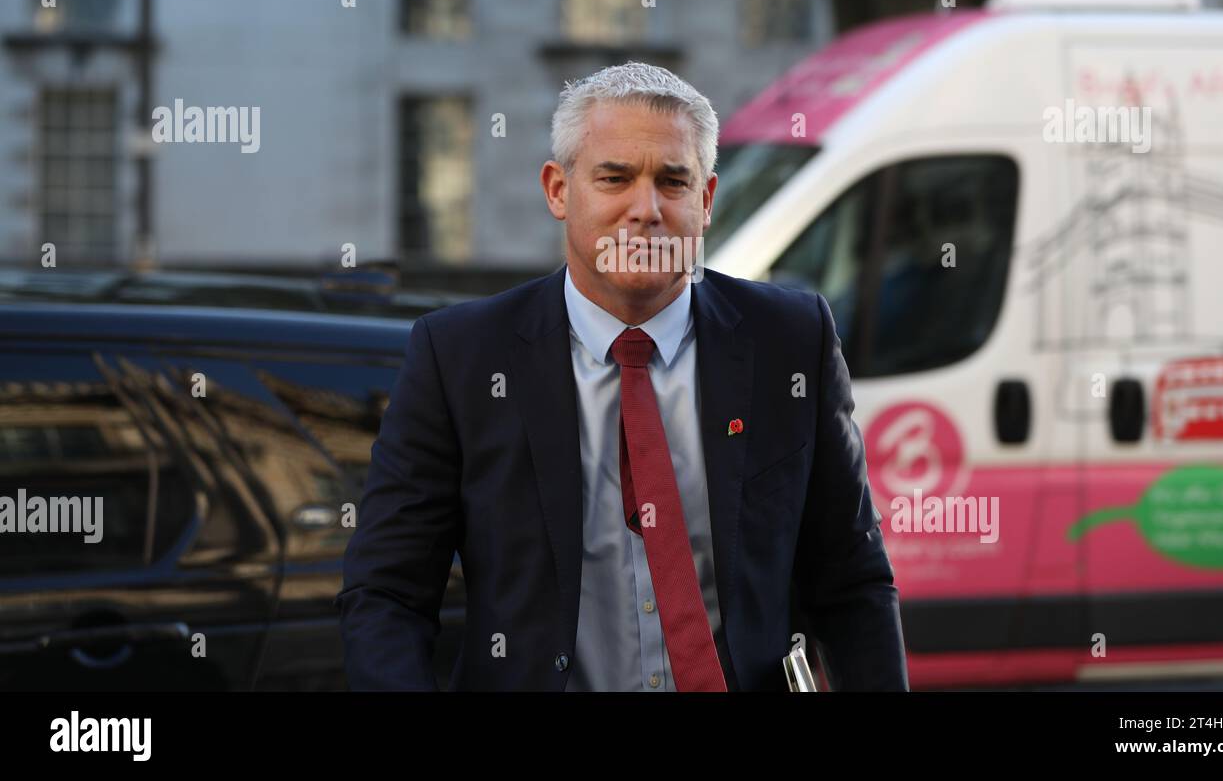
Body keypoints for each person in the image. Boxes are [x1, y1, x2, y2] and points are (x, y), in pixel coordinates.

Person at [334, 62, 907, 691]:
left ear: (707, 200)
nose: (646, 209)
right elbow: (386, 594)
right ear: (558, 190)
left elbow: (852, 582)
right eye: (614, 178)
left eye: (672, 181)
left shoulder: (791, 341)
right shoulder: (461, 357)